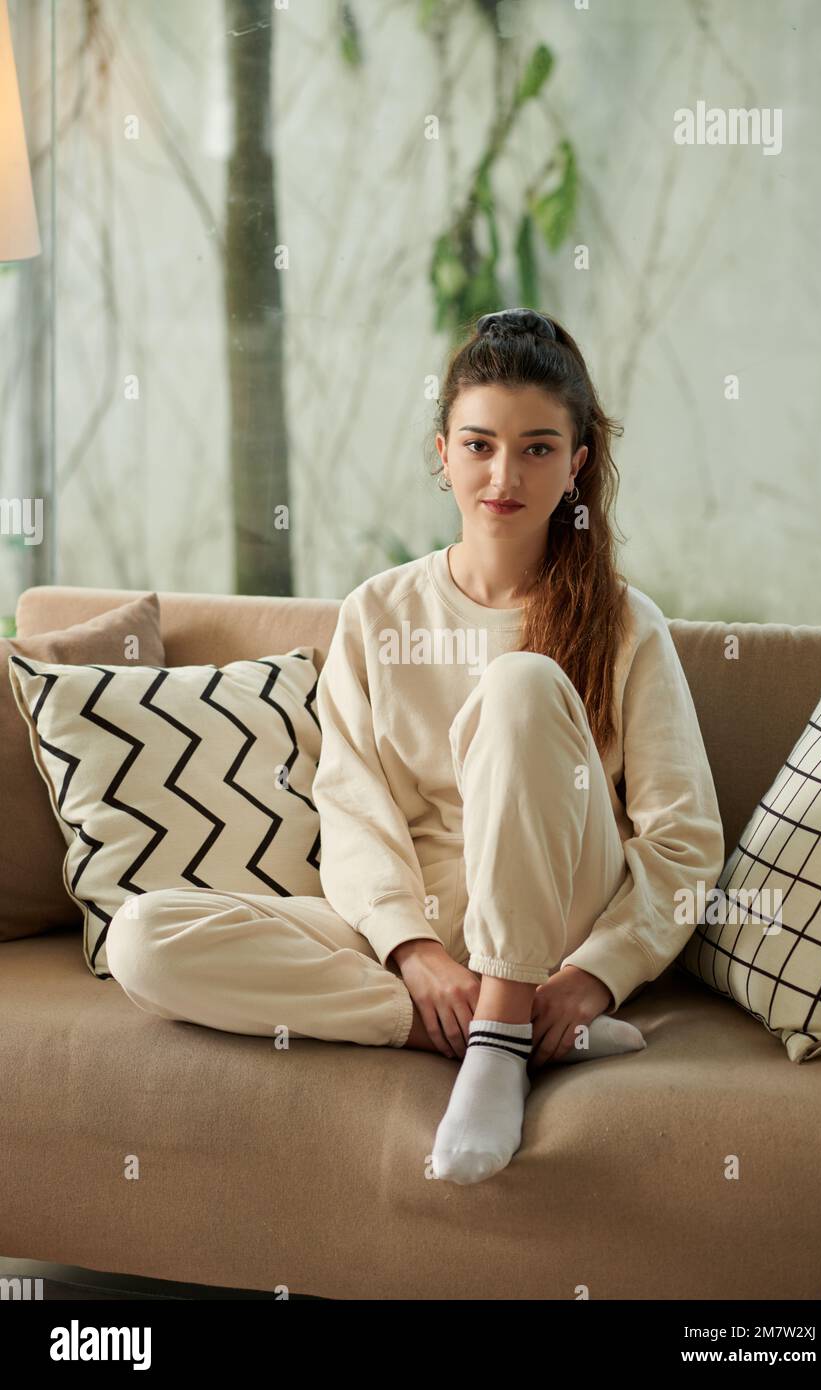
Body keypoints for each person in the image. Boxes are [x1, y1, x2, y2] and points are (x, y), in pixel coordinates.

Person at [105, 307, 725, 1187]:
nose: (504, 473)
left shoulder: (627, 624)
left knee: (519, 684)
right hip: (421, 929)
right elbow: (350, 809)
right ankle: (476, 1026)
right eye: (479, 445)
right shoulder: (376, 613)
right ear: (443, 454)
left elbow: (683, 841)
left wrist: (595, 975)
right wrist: (413, 952)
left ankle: (508, 1026)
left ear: (578, 462)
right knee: (142, 938)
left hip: (558, 921)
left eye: (538, 448)